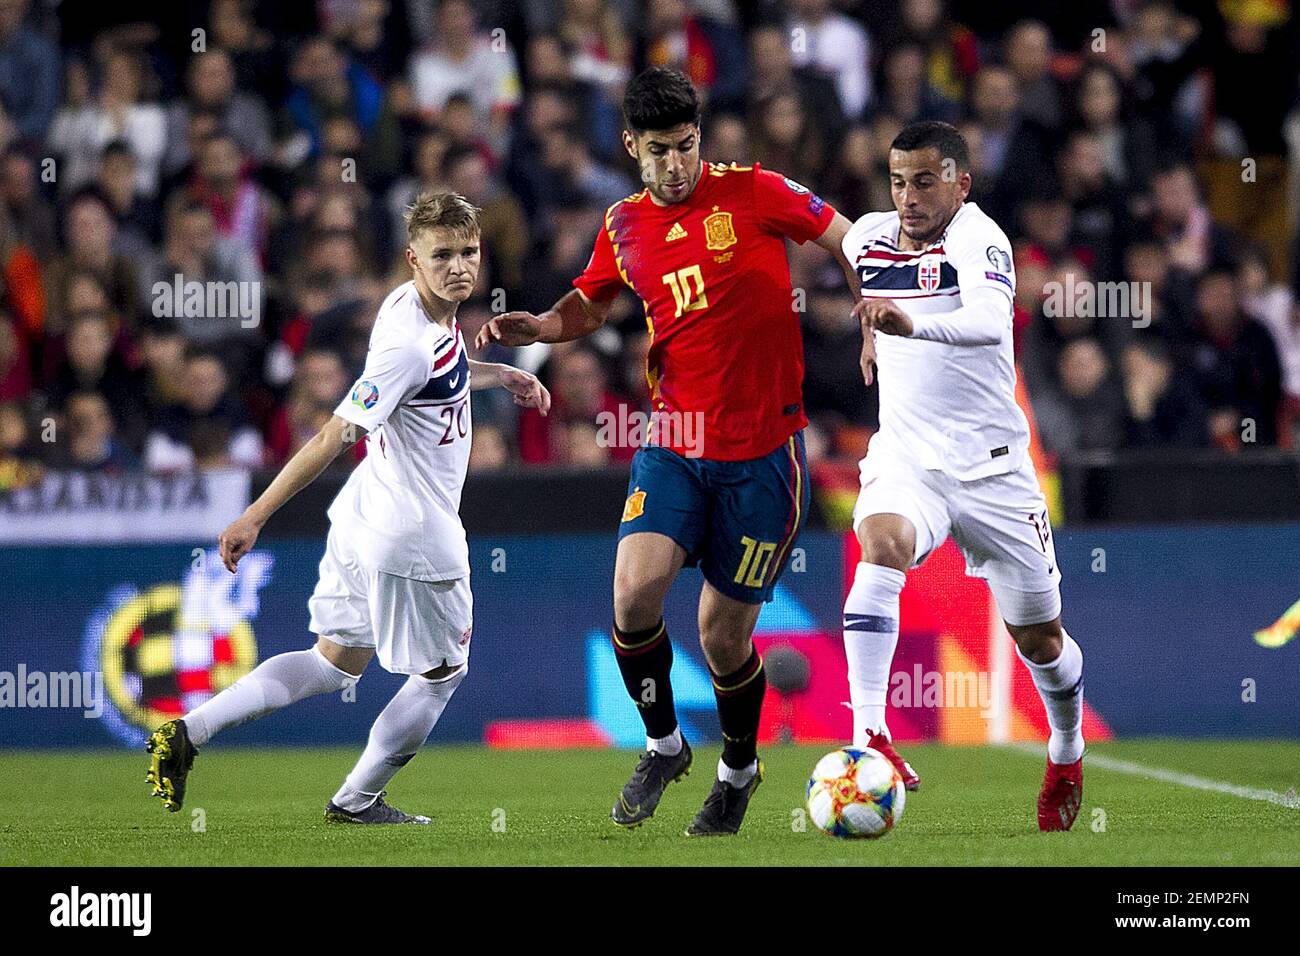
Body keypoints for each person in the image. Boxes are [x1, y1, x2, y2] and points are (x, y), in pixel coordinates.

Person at [477, 67, 857, 836]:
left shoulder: (755, 190)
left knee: (723, 635)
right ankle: (664, 745)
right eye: (660, 150)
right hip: (676, 442)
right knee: (633, 596)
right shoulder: (621, 223)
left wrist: (872, 307)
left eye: (687, 146)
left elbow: (851, 237)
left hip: (765, 457)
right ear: (630, 147)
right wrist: (542, 327)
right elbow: (592, 301)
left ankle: (738, 772)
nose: (677, 164)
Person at [144, 192, 550, 823]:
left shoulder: (413, 312)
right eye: (442, 255)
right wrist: (256, 513)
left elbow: (437, 380)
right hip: (413, 528)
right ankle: (357, 800)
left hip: (365, 510)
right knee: (444, 672)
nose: (460, 267)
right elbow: (336, 434)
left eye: (469, 252)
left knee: (333, 663)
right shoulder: (407, 345)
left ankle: (188, 732)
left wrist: (499, 375)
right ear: (413, 257)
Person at [841, 120, 1085, 831]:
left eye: (924, 180)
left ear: (960, 182)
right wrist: (866, 325)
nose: (908, 197)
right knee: (879, 543)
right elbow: (842, 246)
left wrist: (907, 325)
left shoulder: (981, 237)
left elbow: (986, 319)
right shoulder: (870, 236)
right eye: (897, 181)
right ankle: (867, 731)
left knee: (1040, 640)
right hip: (909, 461)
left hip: (996, 474)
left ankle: (1065, 749)